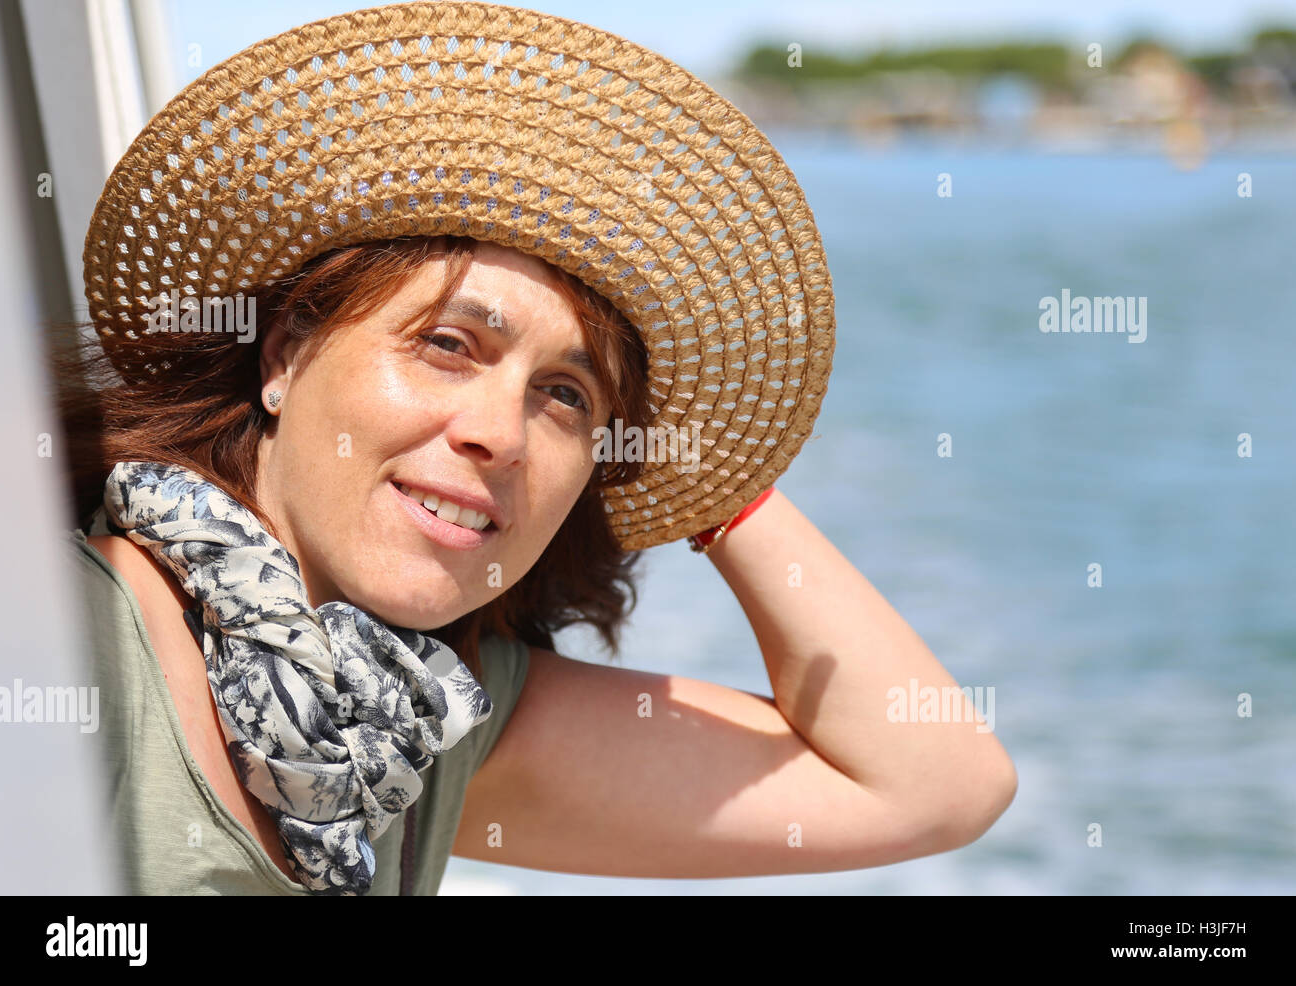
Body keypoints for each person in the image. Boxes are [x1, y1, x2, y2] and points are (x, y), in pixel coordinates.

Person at [55, 1, 1016, 895]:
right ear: (288, 351)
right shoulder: (63, 644)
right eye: (447, 345)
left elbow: (932, 784)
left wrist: (720, 489)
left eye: (564, 396)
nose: (500, 434)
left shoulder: (423, 717)